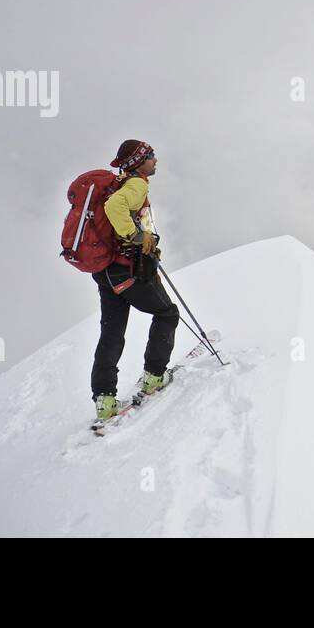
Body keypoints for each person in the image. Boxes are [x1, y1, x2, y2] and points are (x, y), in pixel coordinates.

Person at [89, 139, 180, 420]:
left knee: (112, 331)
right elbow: (115, 208)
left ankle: (105, 400)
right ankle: (154, 376)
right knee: (167, 314)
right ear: (138, 161)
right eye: (150, 155)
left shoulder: (119, 182)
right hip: (126, 270)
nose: (155, 160)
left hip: (105, 272)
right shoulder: (136, 184)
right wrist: (137, 236)